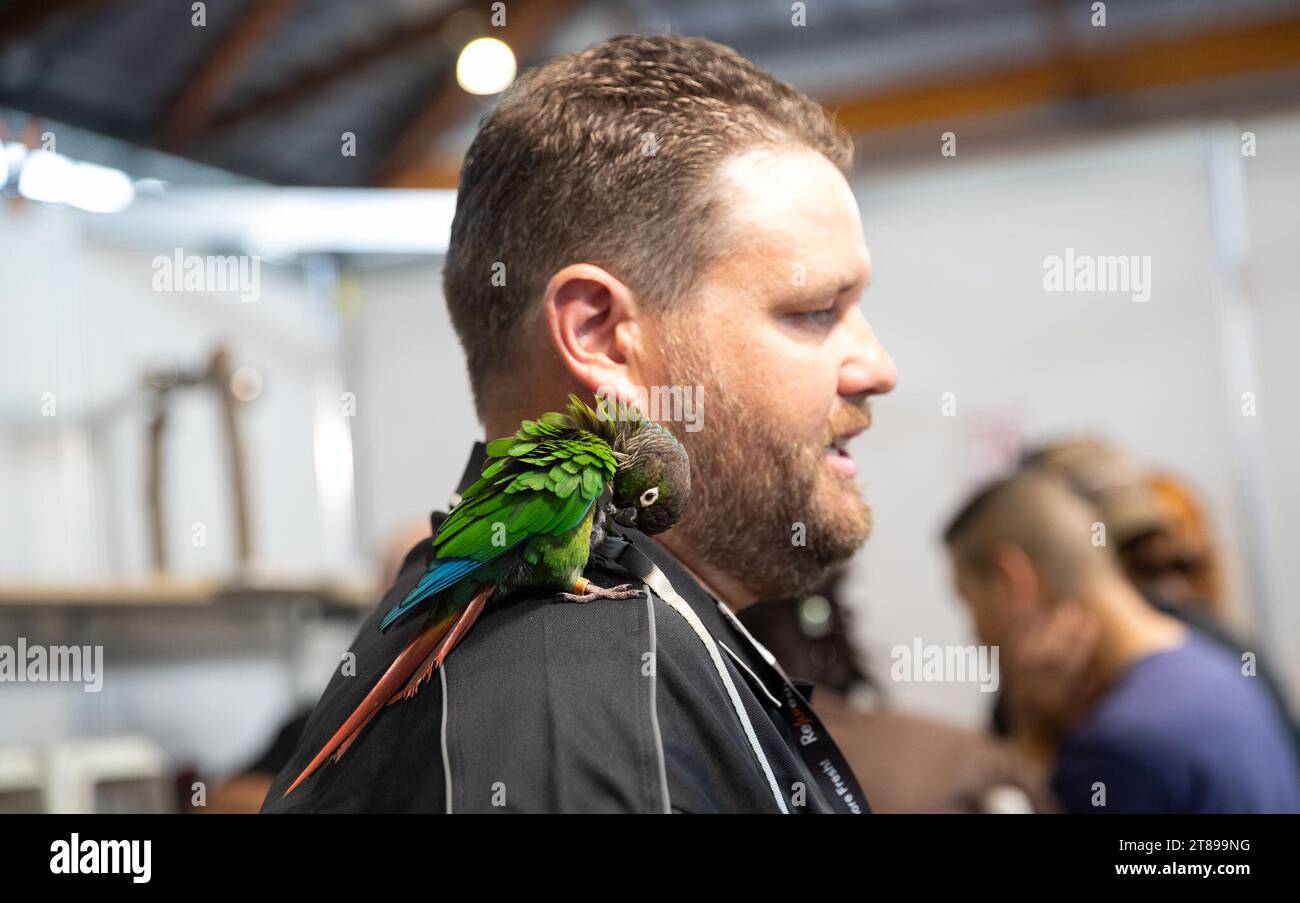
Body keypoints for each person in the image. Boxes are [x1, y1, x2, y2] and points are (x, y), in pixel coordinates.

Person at [262, 33, 897, 813]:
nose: (879, 366)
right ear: (599, 333)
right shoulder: (579, 710)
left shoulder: (626, 653)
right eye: (812, 312)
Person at [943, 471, 1300, 813]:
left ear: (1013, 581)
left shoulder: (1119, 750)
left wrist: (1033, 746)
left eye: (970, 603)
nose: (976, 636)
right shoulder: (1218, 670)